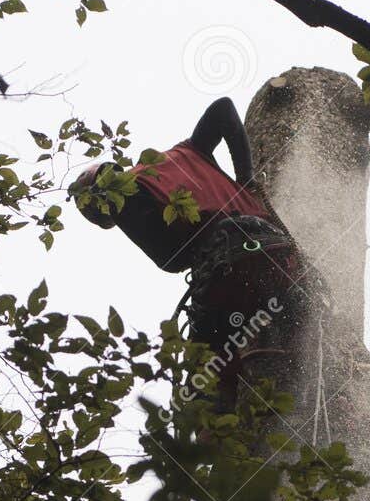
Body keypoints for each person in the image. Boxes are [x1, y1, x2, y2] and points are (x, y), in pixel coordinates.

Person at [70, 99, 308, 357]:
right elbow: (224, 109)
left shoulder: (124, 200)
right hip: (280, 256)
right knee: (299, 325)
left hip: (229, 268)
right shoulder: (184, 154)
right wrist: (245, 178)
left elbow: (170, 260)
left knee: (203, 366)